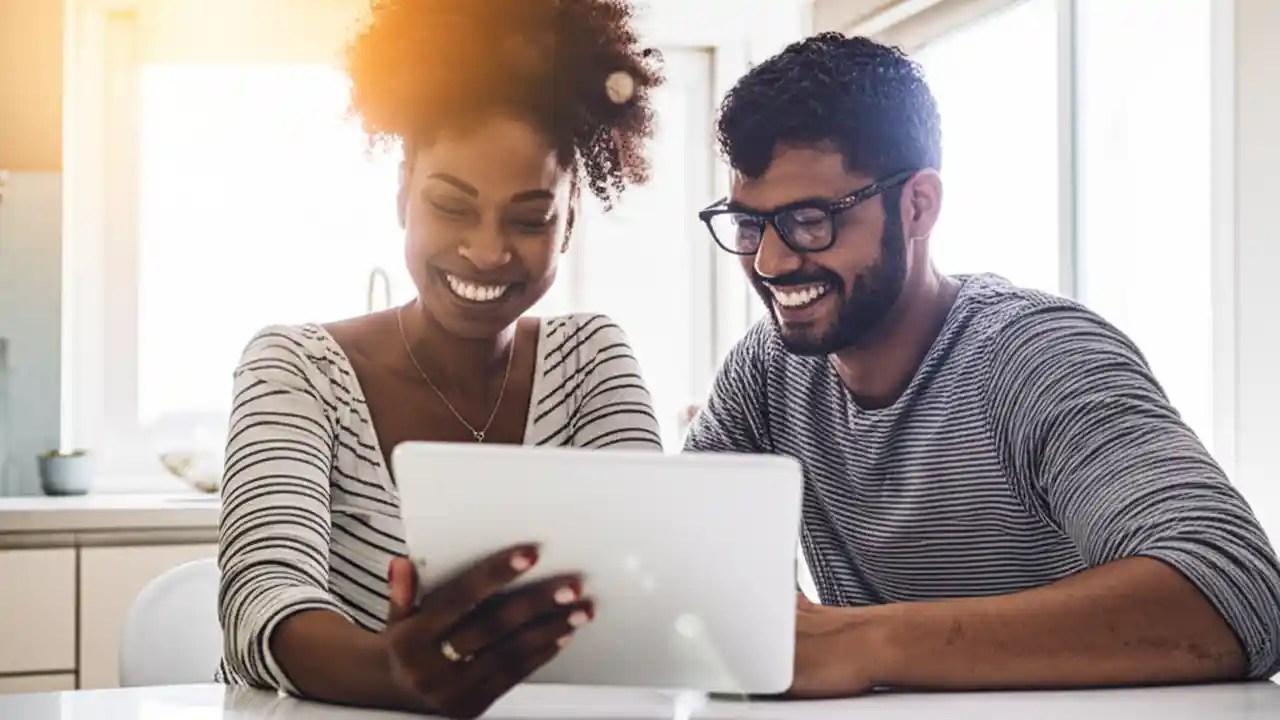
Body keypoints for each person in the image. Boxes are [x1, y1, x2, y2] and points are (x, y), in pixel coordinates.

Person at [687, 33, 1280, 696]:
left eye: (809, 221)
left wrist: (864, 642)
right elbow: (674, 564)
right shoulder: (767, 373)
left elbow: (1237, 596)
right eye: (748, 224)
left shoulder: (1034, 357)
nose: (769, 263)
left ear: (918, 205)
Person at [217, 1, 663, 716]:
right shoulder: (295, 367)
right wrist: (393, 673)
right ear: (403, 198)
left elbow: (645, 594)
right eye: (452, 207)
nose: (487, 250)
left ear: (570, 220)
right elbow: (259, 607)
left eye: (529, 218)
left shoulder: (591, 363)